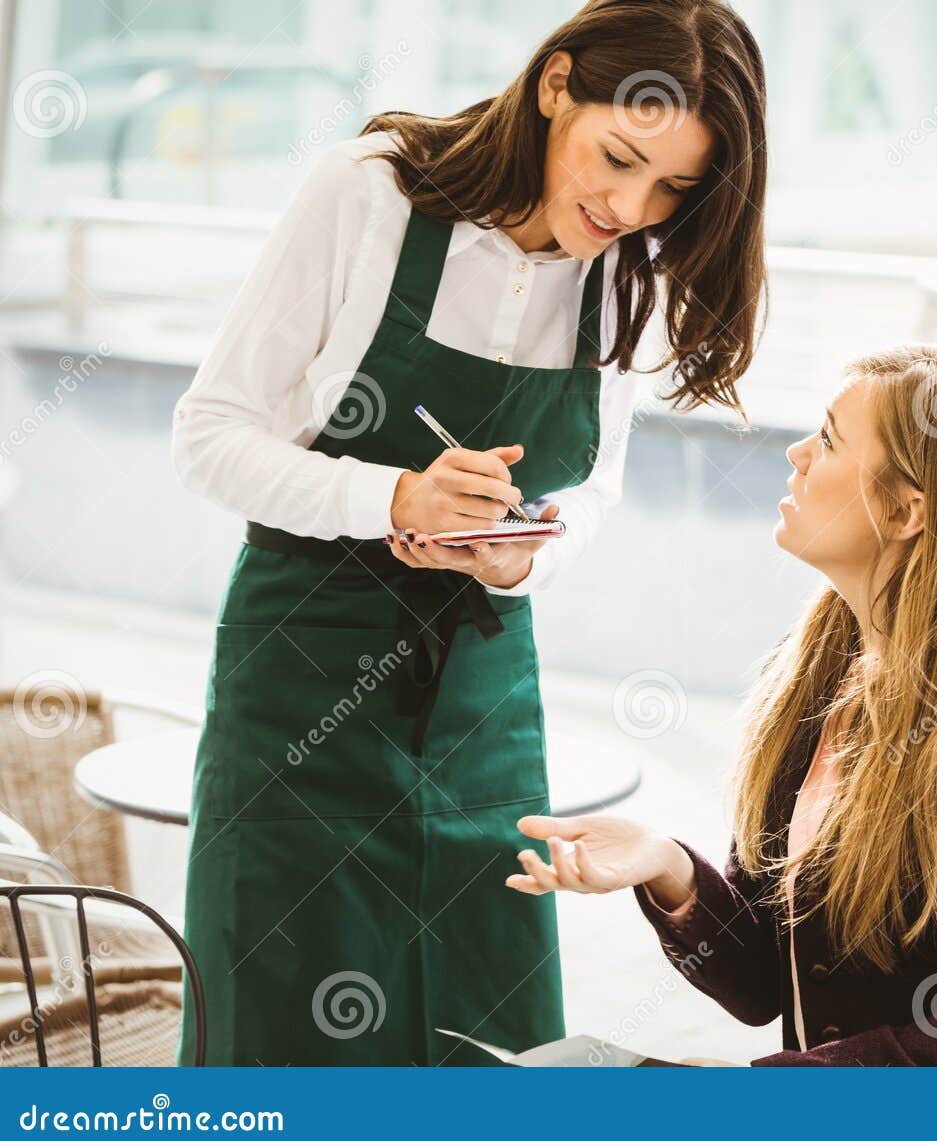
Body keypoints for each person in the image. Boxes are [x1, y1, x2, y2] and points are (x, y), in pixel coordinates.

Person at [169, 0, 767, 1064]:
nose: (630, 206)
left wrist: (517, 555)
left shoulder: (627, 270)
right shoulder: (371, 193)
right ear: (555, 86)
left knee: (479, 1026)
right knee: (279, 1020)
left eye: (672, 185)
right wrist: (392, 497)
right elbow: (211, 436)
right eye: (618, 158)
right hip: (301, 673)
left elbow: (595, 491)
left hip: (481, 696)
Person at [508, 345, 937, 1065]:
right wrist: (665, 865)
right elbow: (763, 982)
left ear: (905, 509)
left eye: (827, 439)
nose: (794, 453)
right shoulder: (820, 676)